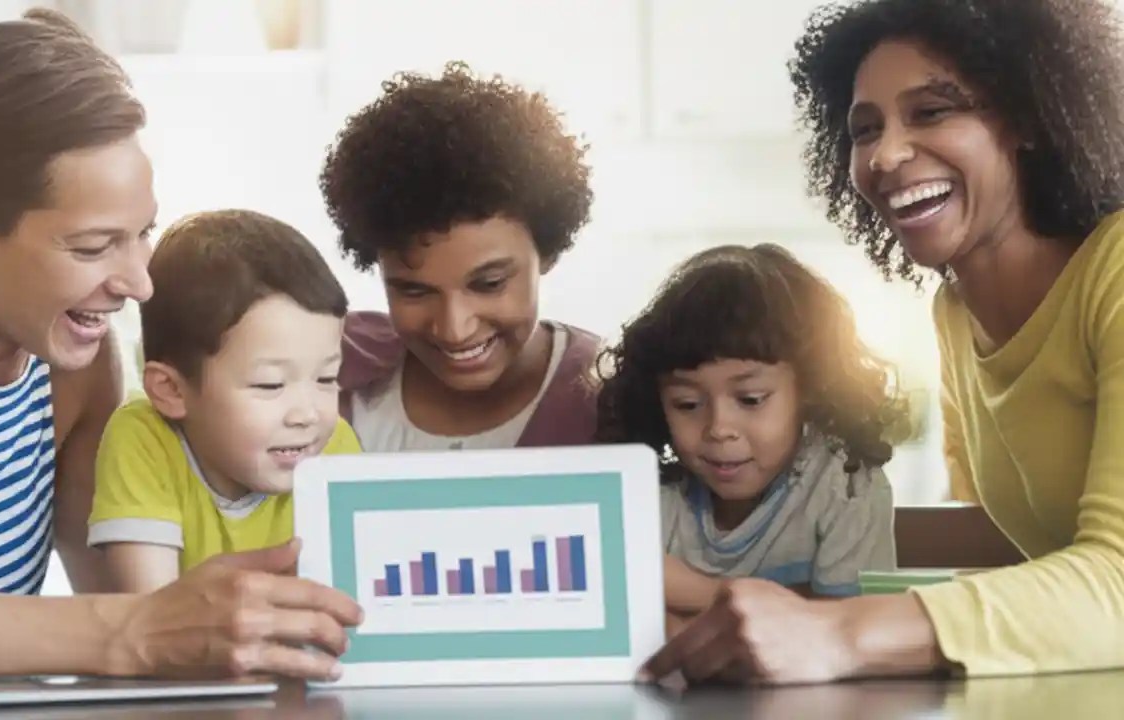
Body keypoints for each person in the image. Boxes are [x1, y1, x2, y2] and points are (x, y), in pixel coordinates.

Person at [0, 9, 359, 680]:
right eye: (94, 246)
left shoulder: (70, 363)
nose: (139, 283)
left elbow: (121, 595)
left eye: (143, 232)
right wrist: (138, 628)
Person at [641, 0, 1124, 686]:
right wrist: (789, 548)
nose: (886, 154)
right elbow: (1022, 532)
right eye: (865, 129)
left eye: (930, 112)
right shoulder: (957, 311)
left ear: (1026, 117)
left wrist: (840, 630)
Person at [595, 245, 902, 628]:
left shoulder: (846, 488)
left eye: (751, 399)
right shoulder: (648, 500)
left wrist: (701, 594)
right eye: (687, 404)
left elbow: (847, 633)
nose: (719, 428)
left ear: (808, 390)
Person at [320, 62, 601, 452]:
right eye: (414, 292)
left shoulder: (611, 400)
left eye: (489, 284)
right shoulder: (324, 374)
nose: (454, 329)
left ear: (548, 251)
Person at [89, 210, 361, 592]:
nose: (307, 415)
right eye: (270, 385)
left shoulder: (335, 447)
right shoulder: (145, 440)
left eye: (327, 378)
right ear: (171, 390)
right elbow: (153, 614)